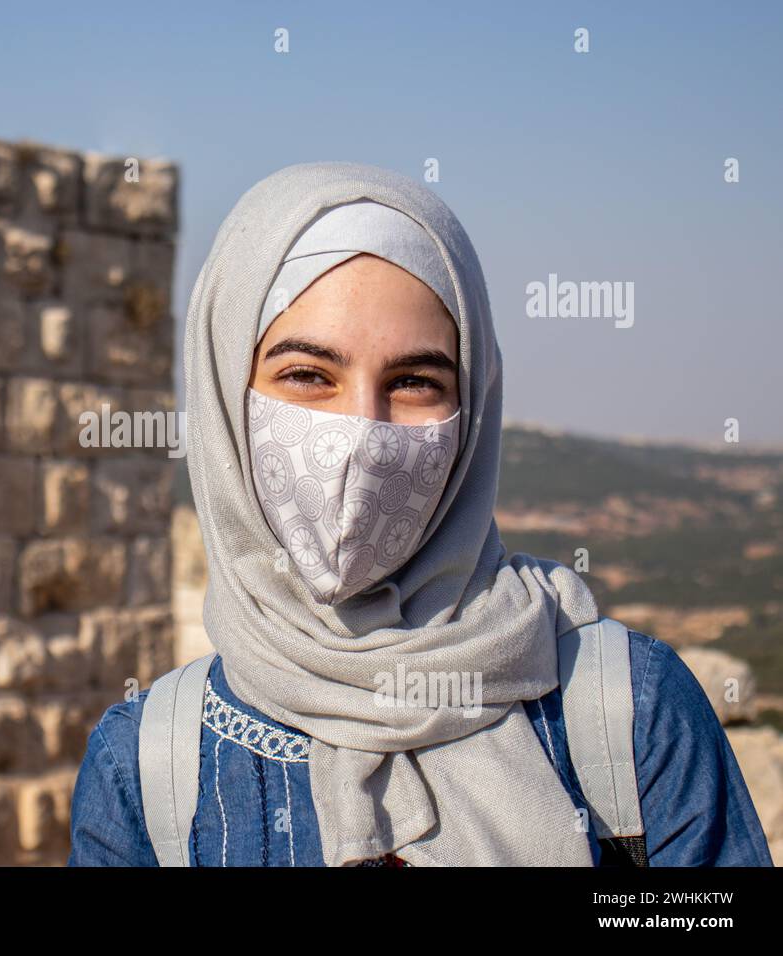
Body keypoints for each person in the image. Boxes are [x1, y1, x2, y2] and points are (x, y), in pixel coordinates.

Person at [67, 161, 774, 867]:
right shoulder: (147, 769)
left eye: (413, 381)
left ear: (472, 414)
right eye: (308, 375)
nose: (363, 439)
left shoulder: (631, 711)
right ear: (225, 393)